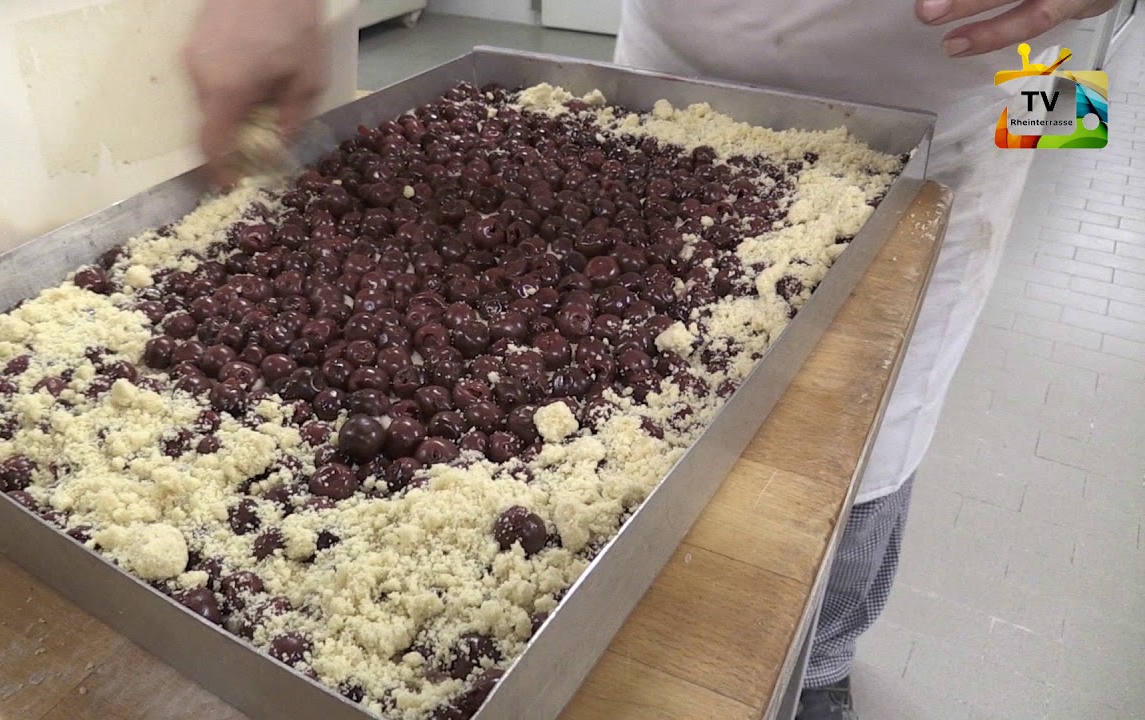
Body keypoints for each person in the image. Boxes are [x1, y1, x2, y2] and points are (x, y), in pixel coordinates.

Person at [182, 0, 1115, 717]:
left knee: (882, 410)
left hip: (986, 79)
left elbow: (1081, 89)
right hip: (678, 70)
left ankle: (824, 663)